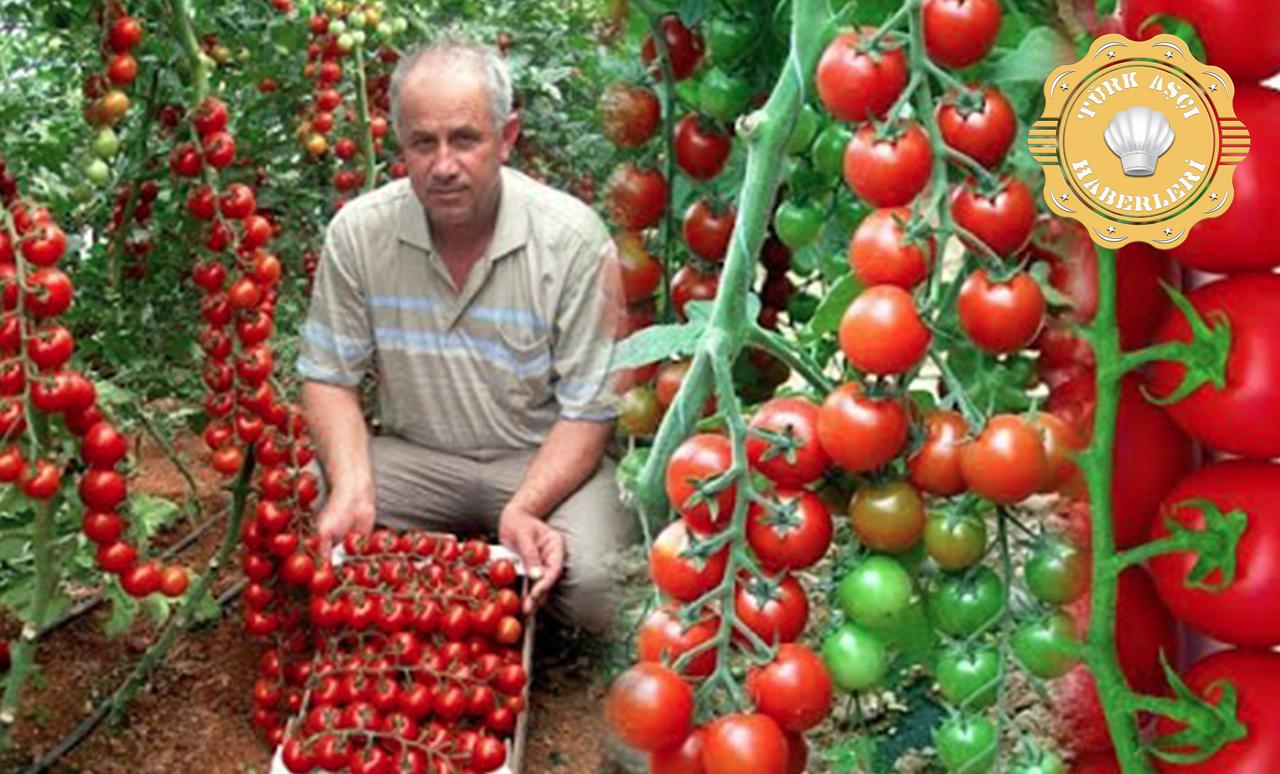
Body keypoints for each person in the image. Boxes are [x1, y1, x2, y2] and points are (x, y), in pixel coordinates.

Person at [297, 39, 633, 633]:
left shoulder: (572, 240)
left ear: (507, 137)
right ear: (400, 141)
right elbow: (329, 377)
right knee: (310, 517)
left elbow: (589, 411)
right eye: (423, 142)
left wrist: (527, 506)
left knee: (595, 585)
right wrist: (351, 485)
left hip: (536, 460)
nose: (443, 164)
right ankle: (482, 567)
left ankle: (496, 560)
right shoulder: (359, 234)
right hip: (416, 458)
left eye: (465, 139)